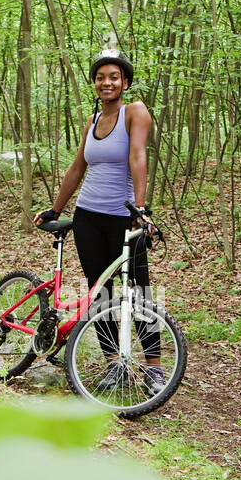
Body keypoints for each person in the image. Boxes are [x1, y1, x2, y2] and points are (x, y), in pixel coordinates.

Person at [33, 48, 164, 393]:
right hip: (88, 216)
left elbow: (138, 156)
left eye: (114, 77)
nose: (107, 82)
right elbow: (78, 167)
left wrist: (140, 208)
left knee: (139, 290)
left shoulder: (135, 112)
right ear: (95, 84)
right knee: (100, 291)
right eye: (101, 77)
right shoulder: (92, 122)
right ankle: (114, 364)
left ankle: (153, 367)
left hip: (123, 218)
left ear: (124, 83)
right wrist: (57, 209)